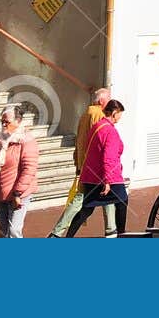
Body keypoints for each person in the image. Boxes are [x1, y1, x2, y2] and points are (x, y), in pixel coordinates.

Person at [50, 87, 112, 237]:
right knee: (82, 200)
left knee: (106, 199)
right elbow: (101, 141)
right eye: (109, 99)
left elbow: (80, 140)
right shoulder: (98, 115)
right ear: (102, 101)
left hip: (85, 165)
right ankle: (57, 232)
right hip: (94, 168)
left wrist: (78, 163)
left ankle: (111, 230)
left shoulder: (86, 114)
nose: (111, 103)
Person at [65, 99, 127, 237]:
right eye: (119, 114)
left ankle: (68, 236)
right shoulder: (110, 131)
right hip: (108, 177)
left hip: (90, 176)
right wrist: (108, 180)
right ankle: (122, 235)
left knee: (87, 209)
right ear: (114, 113)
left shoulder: (97, 127)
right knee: (122, 201)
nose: (120, 118)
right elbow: (108, 157)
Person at [0, 102, 40, 237]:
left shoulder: (26, 140)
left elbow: (29, 169)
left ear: (18, 121)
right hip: (0, 191)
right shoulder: (0, 139)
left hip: (18, 193)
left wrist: (17, 193)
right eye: (2, 122)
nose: (4, 125)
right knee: (4, 232)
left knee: (14, 230)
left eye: (7, 122)